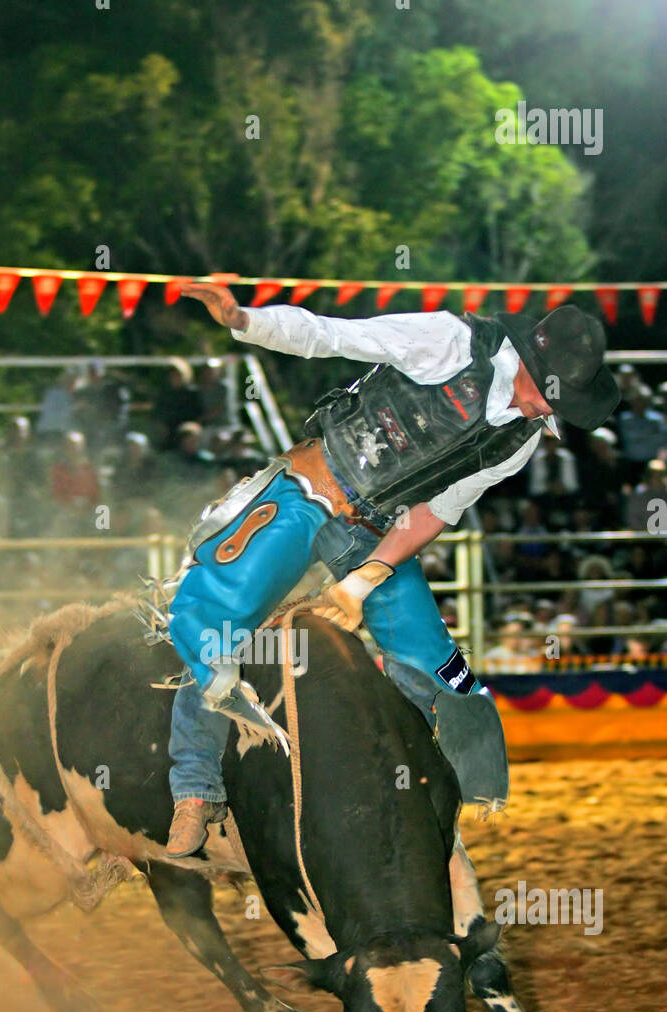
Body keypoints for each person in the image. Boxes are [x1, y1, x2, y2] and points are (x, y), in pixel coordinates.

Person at [157, 283, 620, 855]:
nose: (550, 412)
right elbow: (333, 335)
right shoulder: (451, 342)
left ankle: (396, 786)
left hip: (378, 532)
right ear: (531, 363)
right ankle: (196, 790)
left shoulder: (520, 440)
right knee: (220, 621)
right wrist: (246, 319)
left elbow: (436, 510)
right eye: (554, 396)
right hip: (310, 489)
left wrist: (363, 579)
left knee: (435, 669)